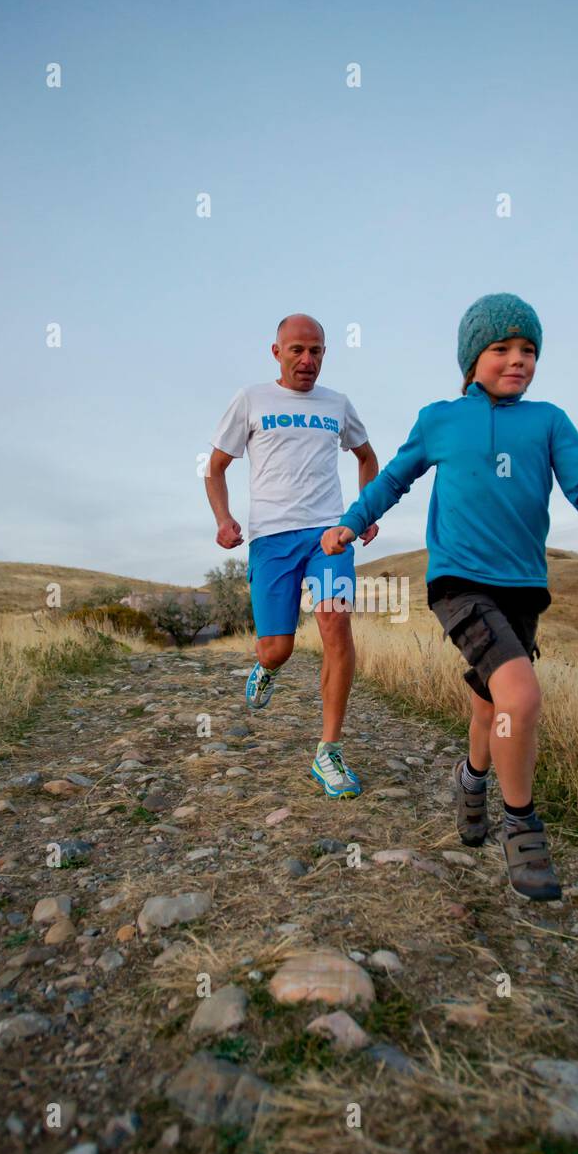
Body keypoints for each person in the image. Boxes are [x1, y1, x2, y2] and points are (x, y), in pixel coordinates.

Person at [321, 293, 578, 897]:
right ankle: (521, 829)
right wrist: (350, 521)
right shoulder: (441, 418)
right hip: (460, 583)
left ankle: (471, 779)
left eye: (529, 350)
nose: (518, 360)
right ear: (473, 358)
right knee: (520, 698)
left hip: (523, 589)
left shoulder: (549, 420)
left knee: (489, 707)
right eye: (502, 348)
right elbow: (395, 476)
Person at [205, 313, 379, 797]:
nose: (307, 360)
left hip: (330, 536)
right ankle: (266, 668)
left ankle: (329, 752)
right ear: (276, 351)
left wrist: (362, 514)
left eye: (317, 351)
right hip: (272, 539)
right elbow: (215, 467)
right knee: (276, 648)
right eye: (297, 350)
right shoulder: (251, 400)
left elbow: (367, 458)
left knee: (335, 627)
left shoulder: (338, 404)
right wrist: (224, 518)